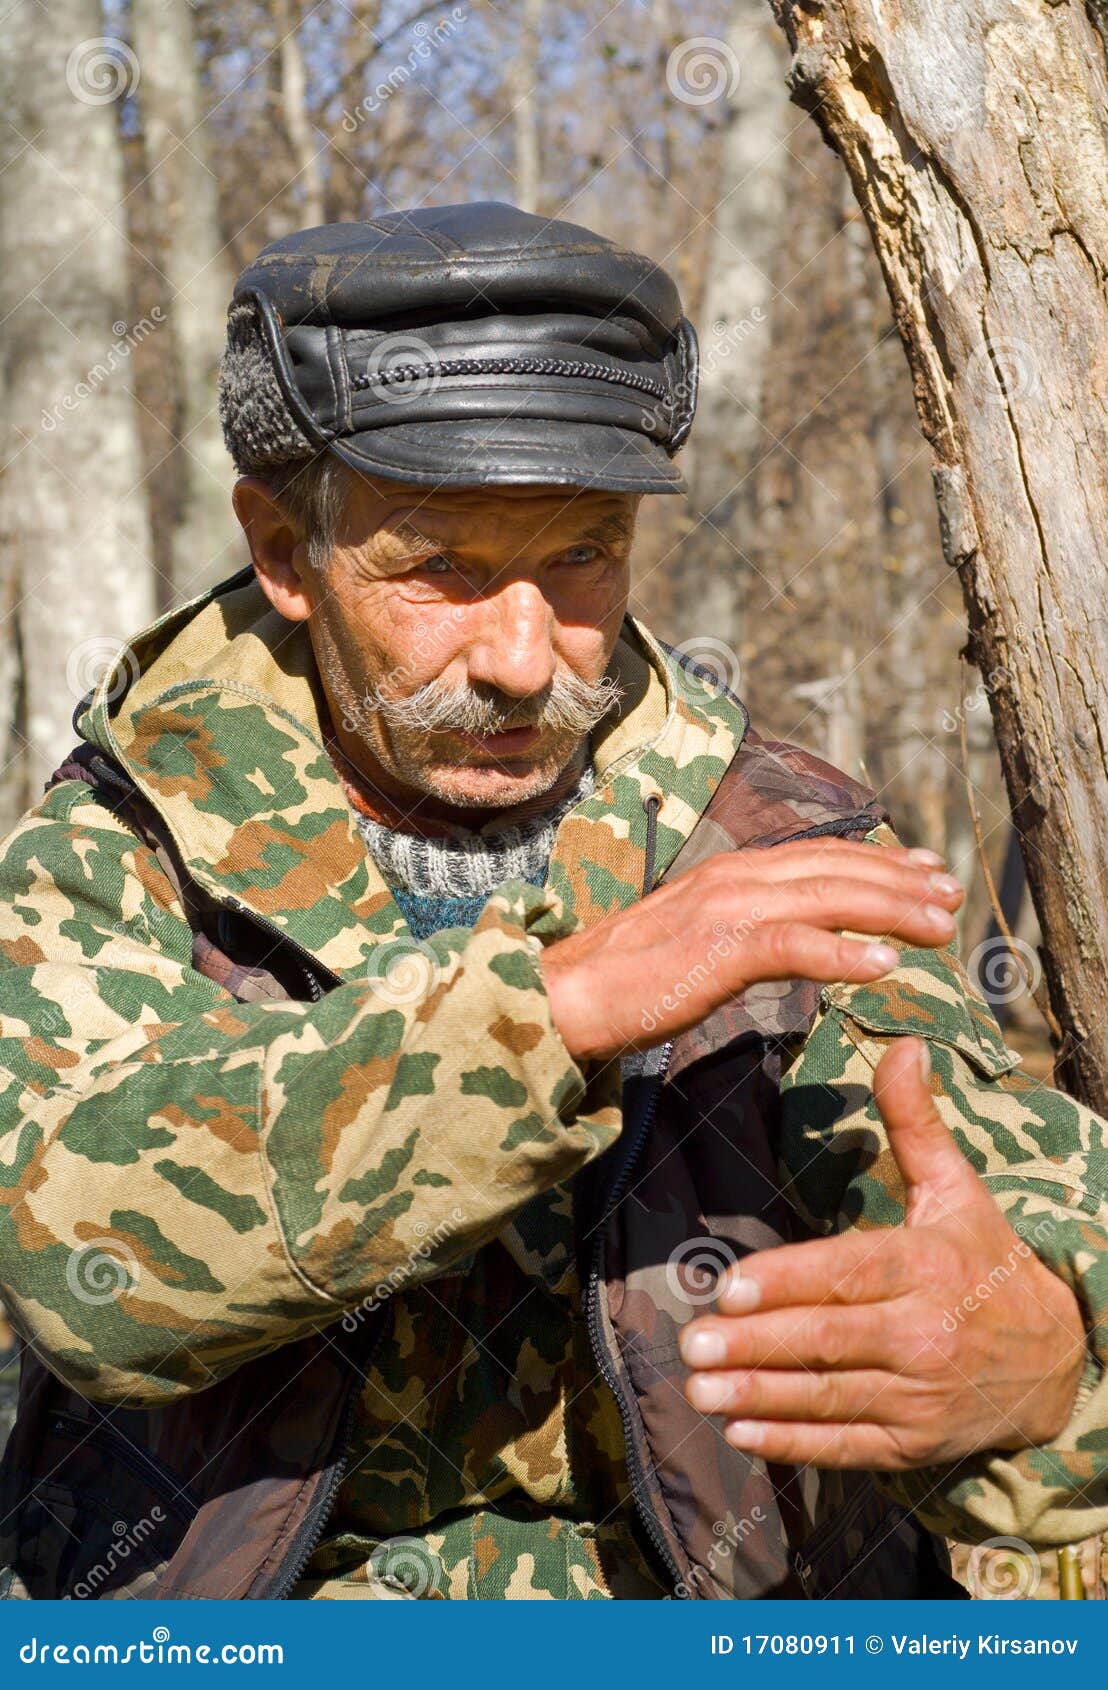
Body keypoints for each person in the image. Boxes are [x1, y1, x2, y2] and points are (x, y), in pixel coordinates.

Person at [0, 203, 1103, 1603]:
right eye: (443, 570)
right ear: (284, 552)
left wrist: (1051, 1343)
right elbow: (71, 1242)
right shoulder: (126, 843)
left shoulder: (768, 839)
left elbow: (984, 1161)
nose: (525, 660)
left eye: (581, 555)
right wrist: (556, 1013)